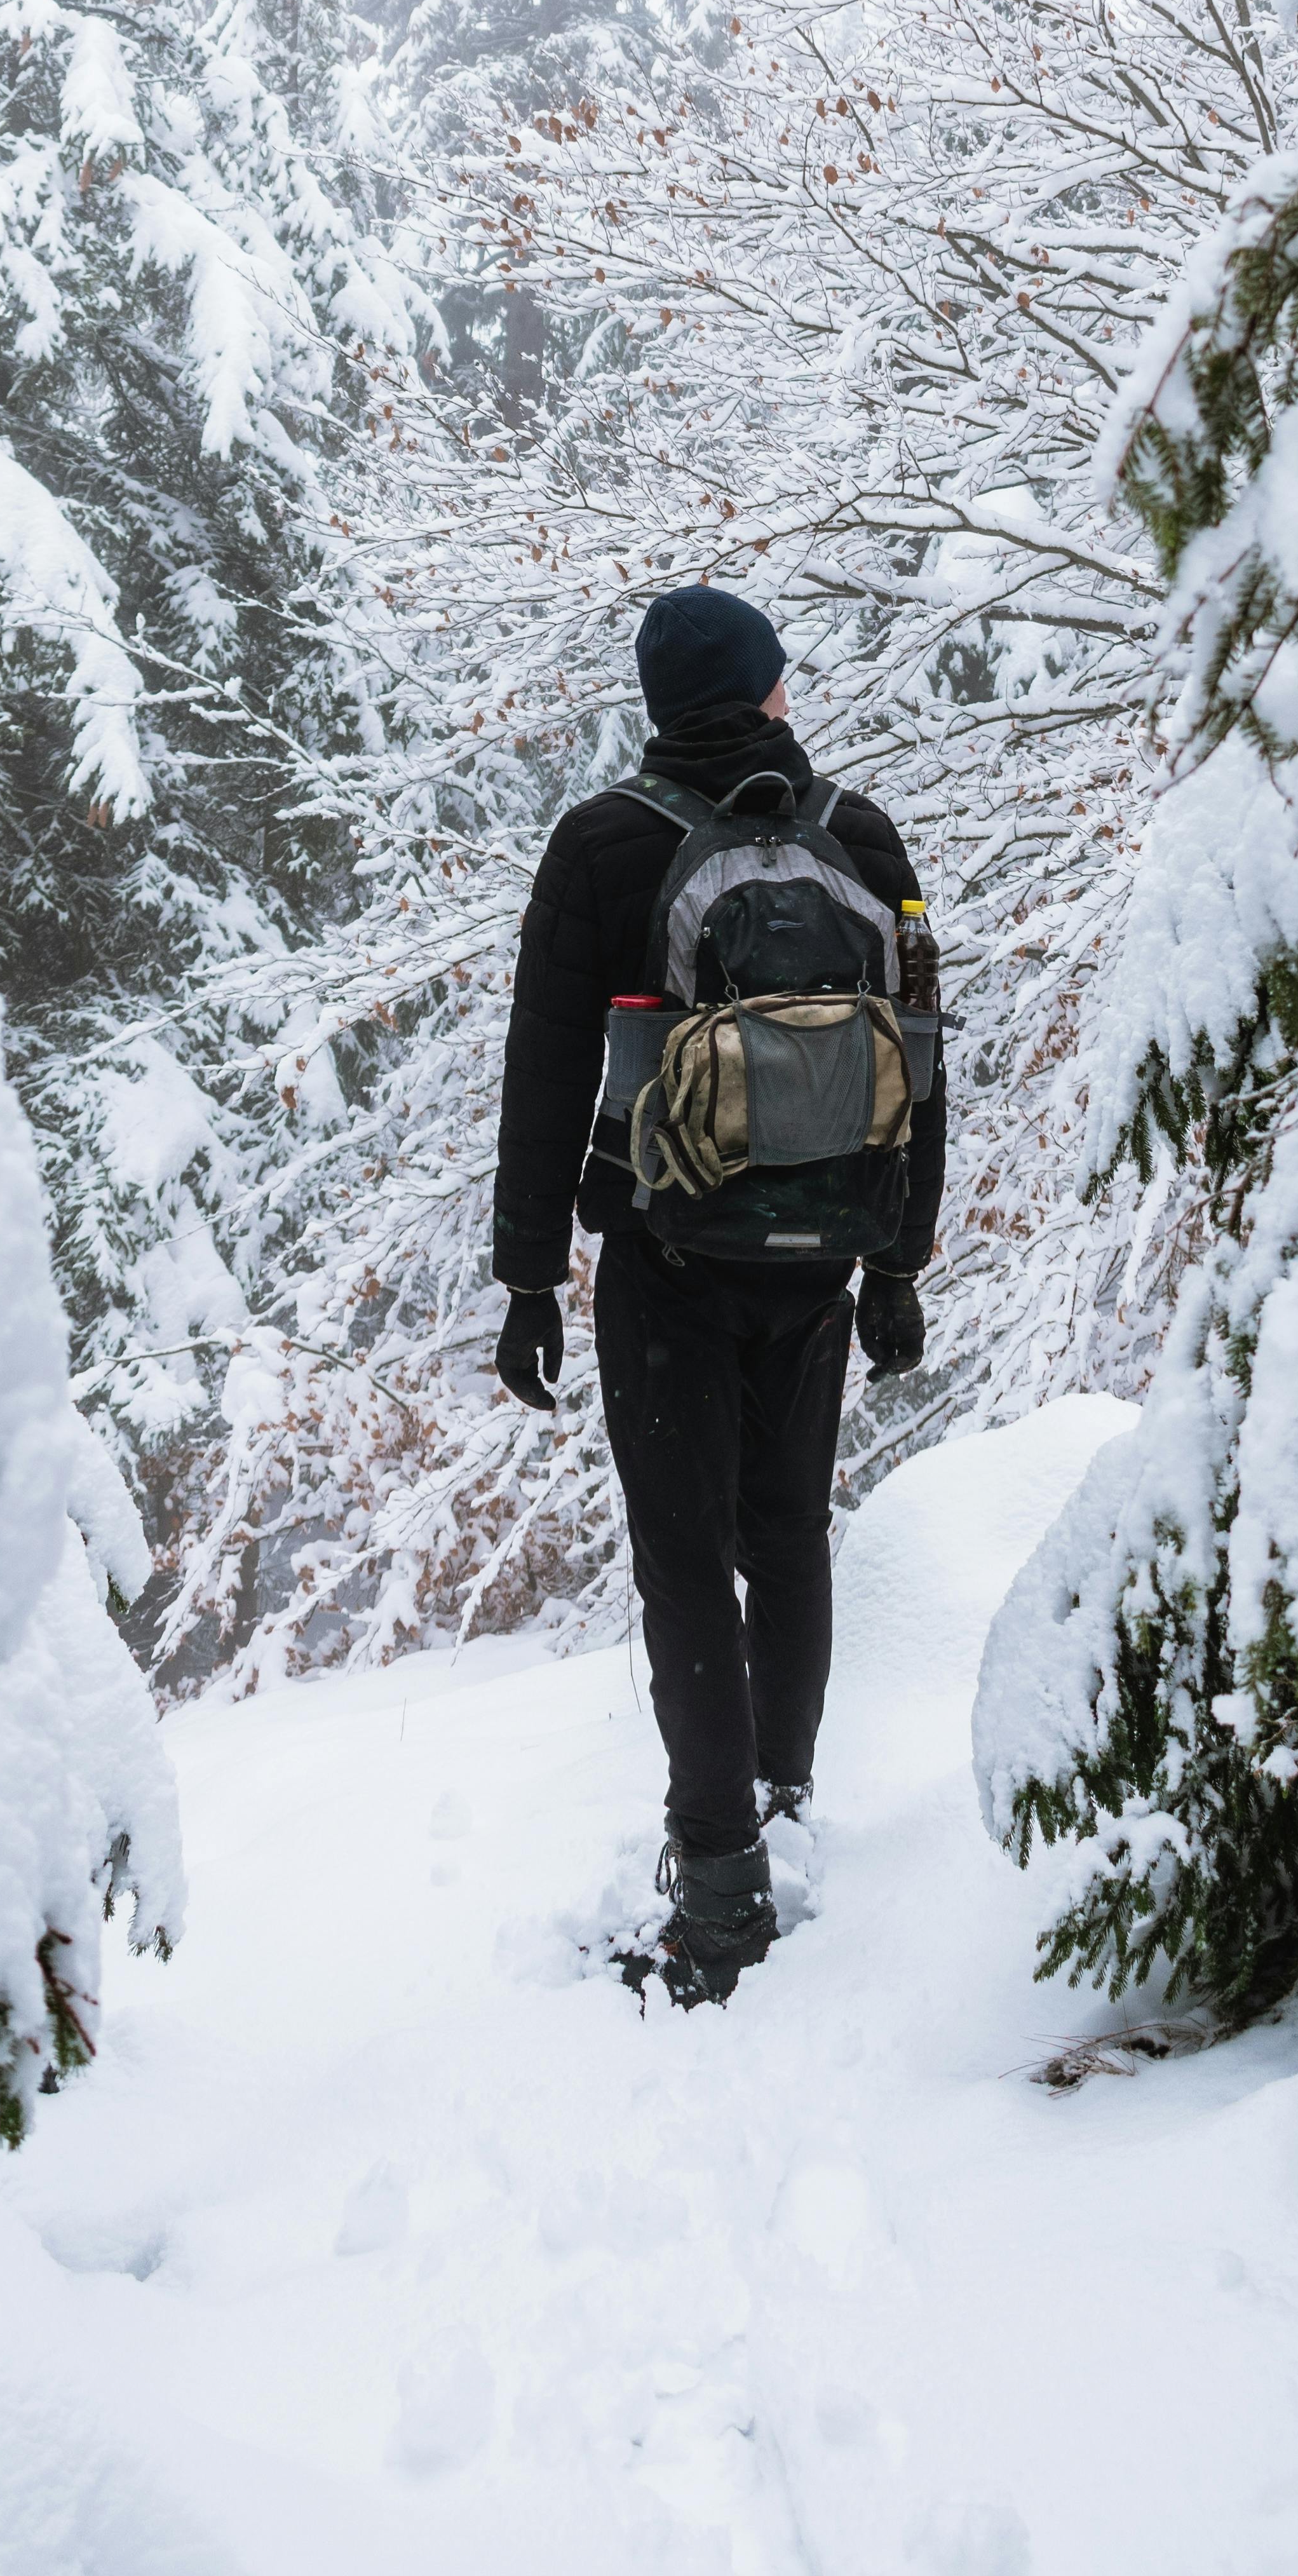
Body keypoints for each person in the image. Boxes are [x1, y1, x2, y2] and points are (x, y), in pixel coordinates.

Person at [489, 583, 944, 2002]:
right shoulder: (859, 841)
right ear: (766, 692)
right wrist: (893, 1264)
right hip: (816, 1267)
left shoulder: (605, 847)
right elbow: (921, 1060)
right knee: (787, 1531)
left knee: (682, 1560)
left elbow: (544, 1070)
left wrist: (526, 1277)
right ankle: (782, 1810)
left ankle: (721, 1891)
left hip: (664, 1265)